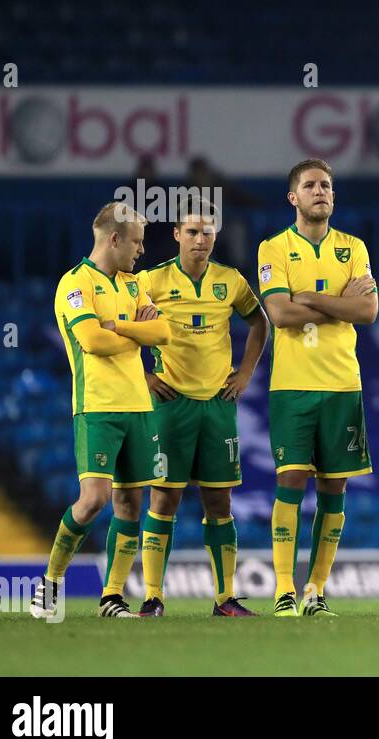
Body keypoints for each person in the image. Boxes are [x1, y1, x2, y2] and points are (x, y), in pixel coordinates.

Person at [30, 202, 172, 619]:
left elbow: (162, 332)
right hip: (97, 407)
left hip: (138, 406)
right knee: (93, 500)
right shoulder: (75, 284)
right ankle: (50, 583)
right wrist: (136, 331)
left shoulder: (133, 285)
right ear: (114, 239)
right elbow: (92, 341)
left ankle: (111, 597)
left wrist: (121, 327)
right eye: (137, 242)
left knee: (131, 504)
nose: (142, 251)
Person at [134, 198, 269, 617]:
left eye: (208, 232)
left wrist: (245, 374)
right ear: (176, 235)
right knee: (164, 499)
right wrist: (145, 375)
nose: (201, 239)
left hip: (217, 405)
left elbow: (260, 322)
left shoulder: (231, 281)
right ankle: (153, 596)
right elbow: (116, 328)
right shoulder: (150, 281)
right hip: (170, 403)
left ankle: (225, 598)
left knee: (219, 502)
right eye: (192, 231)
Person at [257, 158, 379, 617]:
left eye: (326, 185)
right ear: (293, 197)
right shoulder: (273, 249)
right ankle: (284, 590)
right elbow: (281, 315)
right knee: (290, 483)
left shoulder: (353, 247)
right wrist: (340, 303)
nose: (320, 191)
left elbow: (368, 312)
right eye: (310, 185)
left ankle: (315, 591)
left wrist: (310, 298)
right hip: (292, 386)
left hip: (343, 384)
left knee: (334, 490)